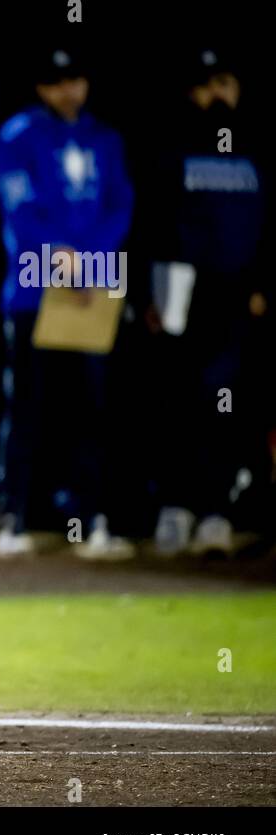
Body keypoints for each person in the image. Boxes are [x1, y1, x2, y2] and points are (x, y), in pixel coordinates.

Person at [0, 47, 135, 560]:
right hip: (35, 282)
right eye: (57, 82)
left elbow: (120, 206)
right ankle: (14, 519)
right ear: (40, 88)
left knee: (93, 407)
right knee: (29, 404)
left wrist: (88, 260)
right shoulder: (18, 135)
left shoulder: (106, 139)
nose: (68, 91)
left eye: (75, 80)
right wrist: (60, 255)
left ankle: (92, 522)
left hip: (94, 283)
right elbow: (19, 206)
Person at [137, 48, 269, 557]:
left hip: (235, 296)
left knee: (225, 401)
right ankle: (176, 506)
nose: (217, 95)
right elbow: (149, 223)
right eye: (206, 85)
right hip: (179, 291)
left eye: (224, 84)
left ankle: (216, 510)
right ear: (191, 93)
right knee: (176, 400)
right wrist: (147, 295)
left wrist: (262, 286)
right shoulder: (171, 149)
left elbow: (269, 225)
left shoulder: (256, 149)